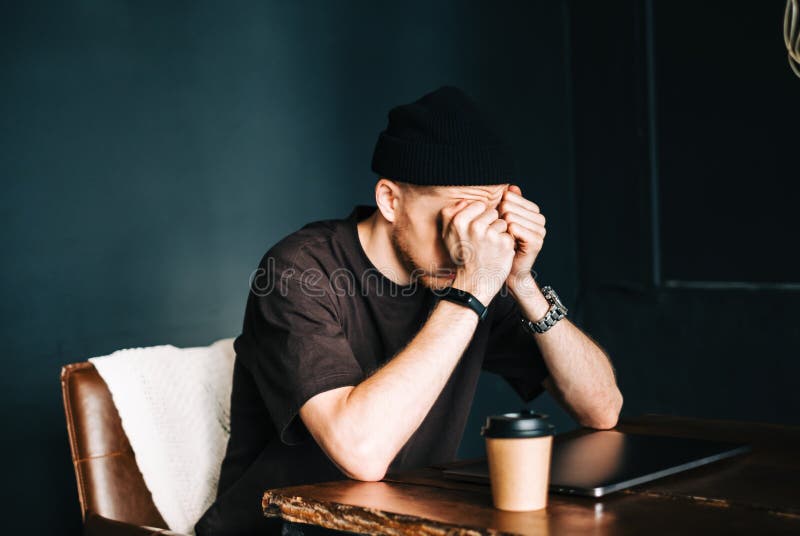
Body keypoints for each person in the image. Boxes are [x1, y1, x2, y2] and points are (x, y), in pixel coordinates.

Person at [194, 86, 623, 536]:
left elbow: (602, 409)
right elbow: (361, 452)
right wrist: (472, 288)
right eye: (453, 219)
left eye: (486, 222)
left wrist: (520, 281)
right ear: (390, 200)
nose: (466, 243)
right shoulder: (299, 270)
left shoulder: (478, 270)